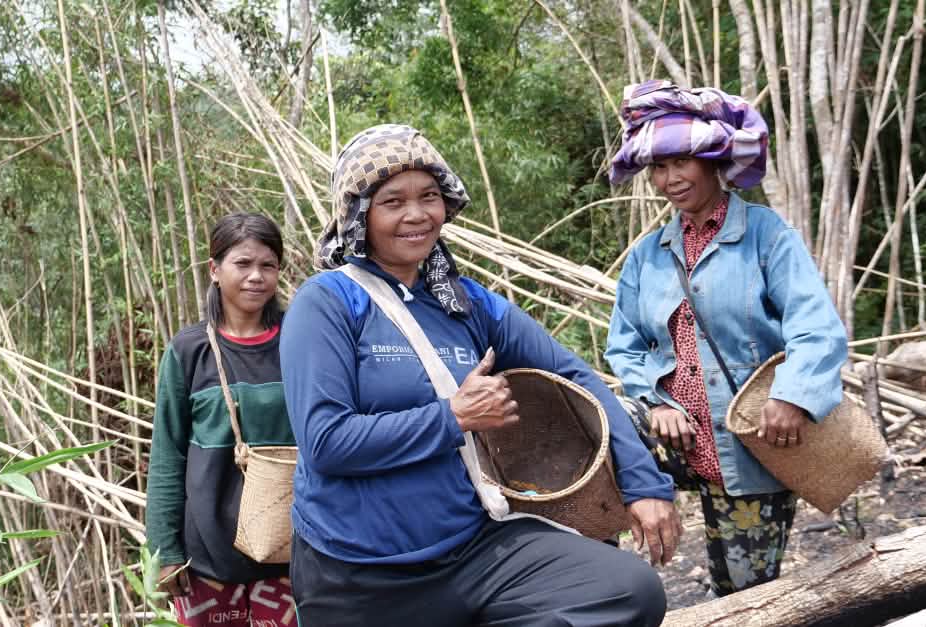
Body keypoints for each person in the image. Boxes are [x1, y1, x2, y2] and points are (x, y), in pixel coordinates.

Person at [280, 124, 679, 627]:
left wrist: (645, 484)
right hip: (359, 578)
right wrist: (454, 416)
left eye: (429, 196)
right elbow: (326, 442)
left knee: (630, 591)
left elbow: (574, 375)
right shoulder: (328, 303)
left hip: (471, 551)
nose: (416, 214)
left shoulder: (466, 303)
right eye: (392, 201)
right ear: (360, 215)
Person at [605, 80, 849, 596]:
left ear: (713, 160)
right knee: (597, 431)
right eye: (659, 168)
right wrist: (656, 401)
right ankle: (597, 580)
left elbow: (816, 328)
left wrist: (792, 396)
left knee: (744, 591)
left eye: (681, 163)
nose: (670, 179)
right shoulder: (649, 254)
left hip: (752, 440)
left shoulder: (765, 235)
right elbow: (623, 345)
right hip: (676, 437)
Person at [145, 213, 297, 626]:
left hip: (291, 552)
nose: (256, 276)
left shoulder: (302, 340)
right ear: (214, 270)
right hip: (206, 559)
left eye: (268, 265)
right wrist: (165, 552)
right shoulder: (188, 351)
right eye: (243, 264)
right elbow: (166, 456)